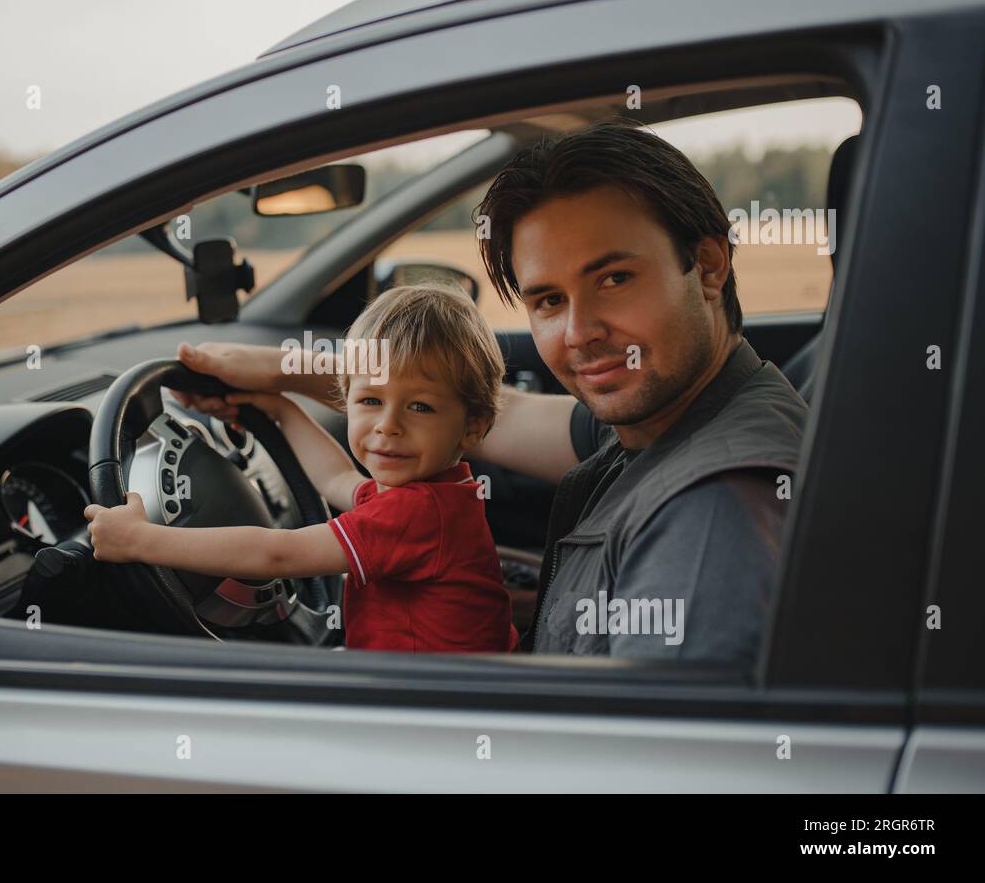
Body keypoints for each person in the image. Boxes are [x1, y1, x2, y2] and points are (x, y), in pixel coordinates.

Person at [172, 120, 808, 664]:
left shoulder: (711, 515)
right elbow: (486, 409)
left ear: (708, 266)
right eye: (548, 300)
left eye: (615, 279)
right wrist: (279, 377)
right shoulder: (672, 415)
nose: (580, 333)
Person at [84, 284, 520, 653]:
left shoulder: (419, 513)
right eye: (370, 401)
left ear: (472, 427)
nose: (388, 425)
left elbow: (278, 554)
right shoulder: (441, 492)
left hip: (430, 711)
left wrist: (142, 540)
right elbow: (338, 480)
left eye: (420, 407)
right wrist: (278, 408)